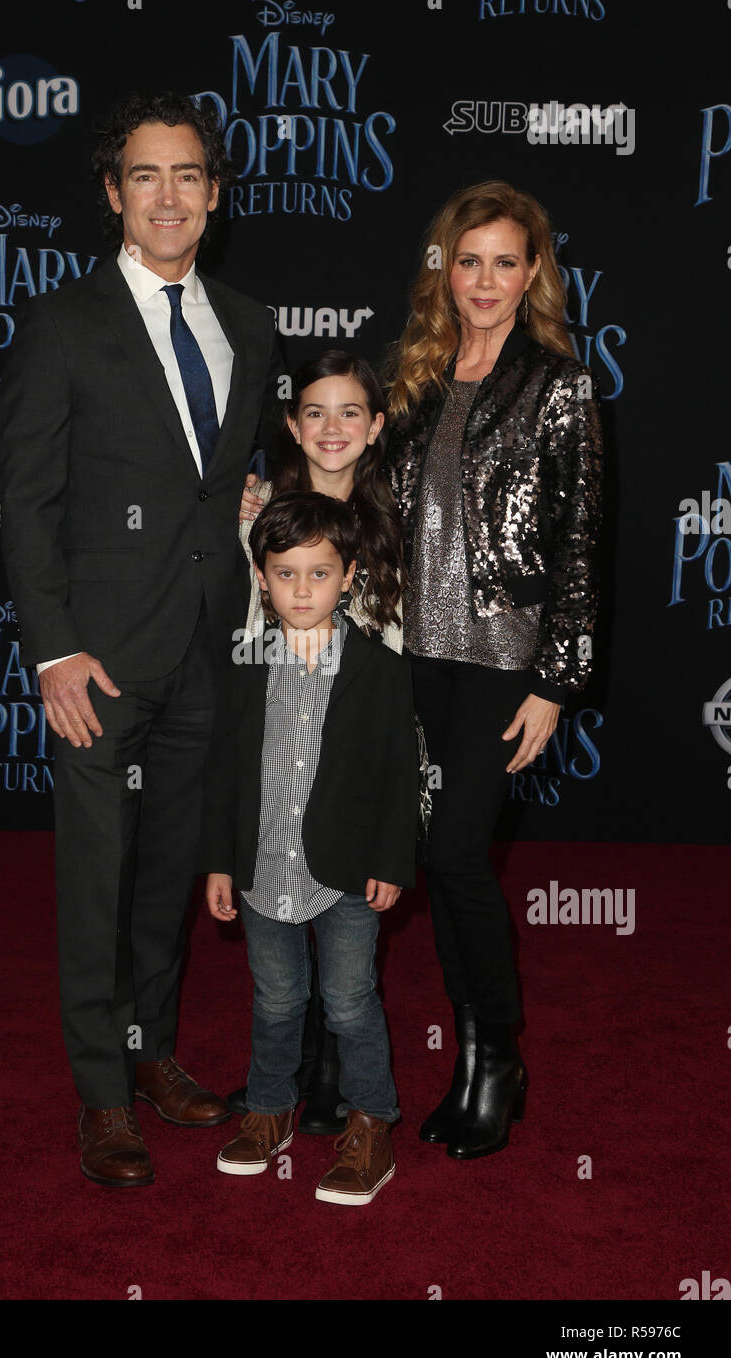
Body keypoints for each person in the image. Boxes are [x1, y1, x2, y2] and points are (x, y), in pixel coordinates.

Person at [0, 91, 281, 1187]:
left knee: (165, 875)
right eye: (147, 176)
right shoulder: (62, 325)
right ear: (115, 194)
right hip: (98, 664)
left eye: (190, 176)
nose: (169, 195)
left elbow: (217, 488)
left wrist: (248, 517)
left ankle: (150, 1051)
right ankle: (101, 1095)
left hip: (209, 651)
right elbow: (26, 502)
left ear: (213, 195)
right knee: (97, 879)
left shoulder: (246, 325)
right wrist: (54, 649)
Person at [386, 179, 603, 1159]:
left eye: (504, 261)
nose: (483, 279)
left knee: (456, 856)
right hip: (409, 654)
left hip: (500, 662)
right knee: (427, 858)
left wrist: (555, 684)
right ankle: (474, 1062)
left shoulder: (557, 384)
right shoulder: (416, 372)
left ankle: (493, 1055)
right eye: (466, 259)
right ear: (445, 268)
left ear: (531, 274)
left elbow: (580, 544)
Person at [202, 492, 418, 1205]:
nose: (301, 589)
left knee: (349, 1000)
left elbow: (397, 773)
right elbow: (225, 769)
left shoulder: (379, 670)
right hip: (263, 866)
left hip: (347, 872)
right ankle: (269, 1111)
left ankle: (369, 1123)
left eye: (319, 573)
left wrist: (391, 861)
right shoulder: (242, 663)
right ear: (260, 577)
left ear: (349, 575)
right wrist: (219, 860)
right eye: (285, 573)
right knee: (276, 998)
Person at [227, 352, 405, 1136]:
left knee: (345, 966)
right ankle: (283, 1083)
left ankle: (342, 1084)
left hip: (363, 726)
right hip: (276, 717)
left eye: (350, 412)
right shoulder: (255, 509)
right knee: (280, 963)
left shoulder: (395, 514)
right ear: (293, 425)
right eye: (315, 413)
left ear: (373, 426)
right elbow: (239, 609)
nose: (332, 429)